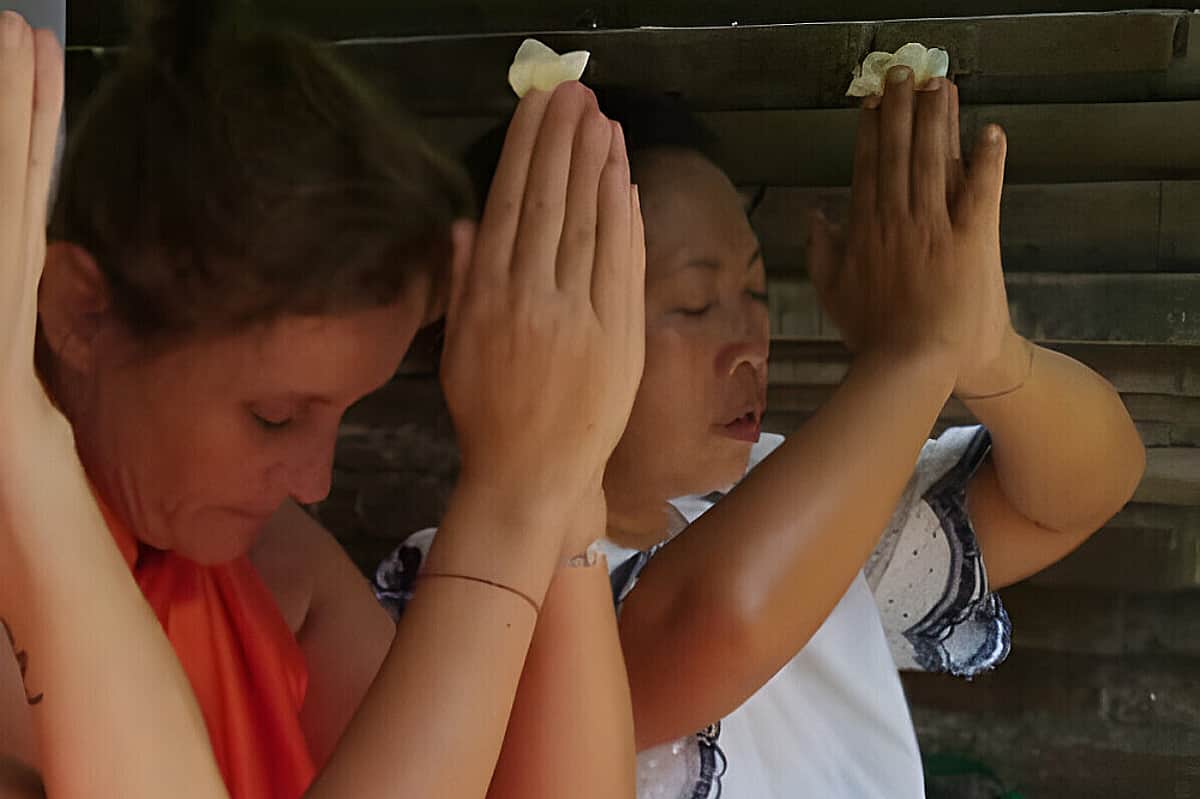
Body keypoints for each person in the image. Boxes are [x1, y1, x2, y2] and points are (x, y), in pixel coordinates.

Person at [378, 73, 1146, 797]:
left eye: (752, 289)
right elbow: (708, 621)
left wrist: (987, 353)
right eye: (694, 302)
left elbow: (1079, 492)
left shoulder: (790, 500)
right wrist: (917, 353)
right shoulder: (473, 581)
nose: (750, 340)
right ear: (534, 329)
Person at [0, 5, 644, 798]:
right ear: (81, 314)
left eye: (345, 411)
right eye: (273, 415)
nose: (315, 481)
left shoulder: (272, 559)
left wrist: (566, 489)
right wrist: (508, 509)